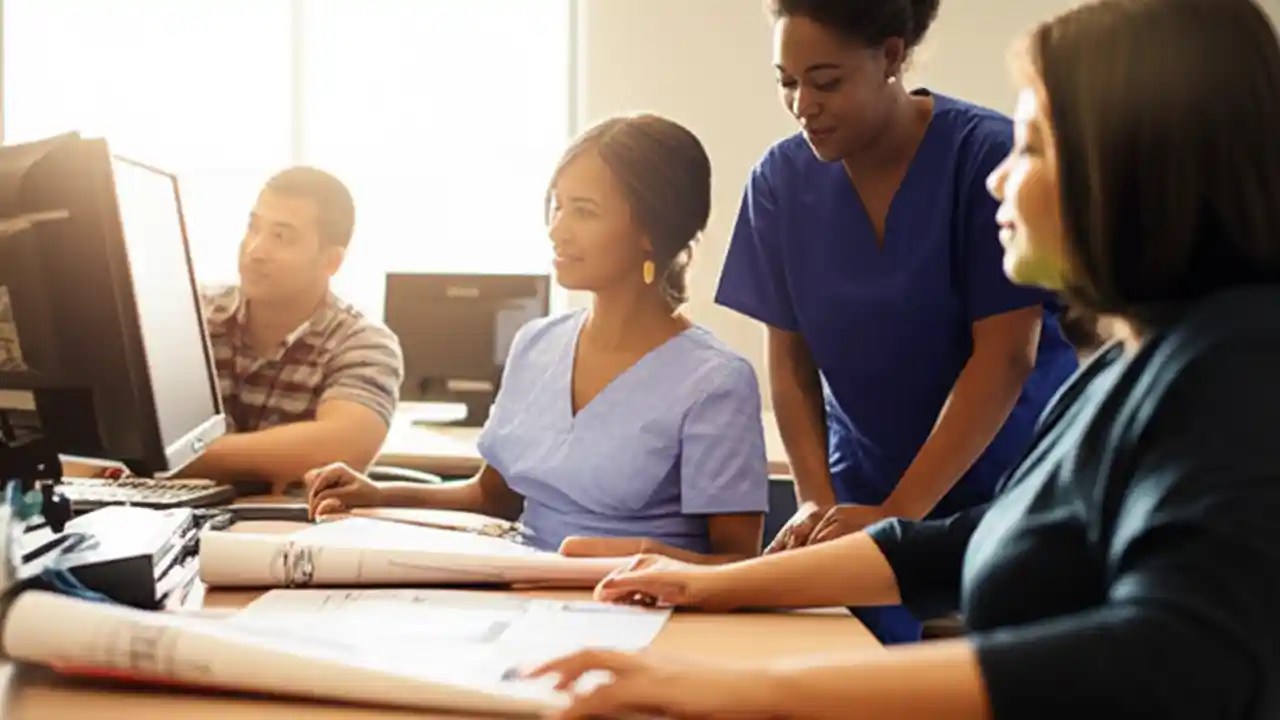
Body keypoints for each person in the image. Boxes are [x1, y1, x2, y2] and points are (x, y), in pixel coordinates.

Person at [527, 0, 1280, 717]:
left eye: (1036, 146)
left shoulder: (1236, 366)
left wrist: (751, 688)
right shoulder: (1129, 371)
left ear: (1138, 168)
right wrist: (711, 582)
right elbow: (959, 544)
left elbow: (1179, 657)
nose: (998, 176)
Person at [716, 0, 1079, 643]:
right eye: (787, 83)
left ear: (890, 56)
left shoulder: (985, 158)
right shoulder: (779, 181)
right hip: (861, 483)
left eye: (825, 82)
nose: (804, 105)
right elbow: (791, 362)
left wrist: (898, 518)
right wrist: (816, 502)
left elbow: (1004, 357)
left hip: (1006, 480)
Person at [306, 114, 769, 563]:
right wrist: (377, 493)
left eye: (584, 211)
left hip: (641, 610)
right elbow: (492, 498)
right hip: (524, 594)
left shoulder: (716, 381)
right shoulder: (536, 344)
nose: (557, 230)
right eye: (557, 205)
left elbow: (738, 562)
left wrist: (645, 557)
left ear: (652, 230)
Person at [183, 167, 404, 492]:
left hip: (294, 536)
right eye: (253, 227)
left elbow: (340, 448)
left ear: (331, 261)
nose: (255, 250)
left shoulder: (364, 342)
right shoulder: (192, 314)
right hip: (175, 531)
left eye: (281, 236)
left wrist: (180, 457)